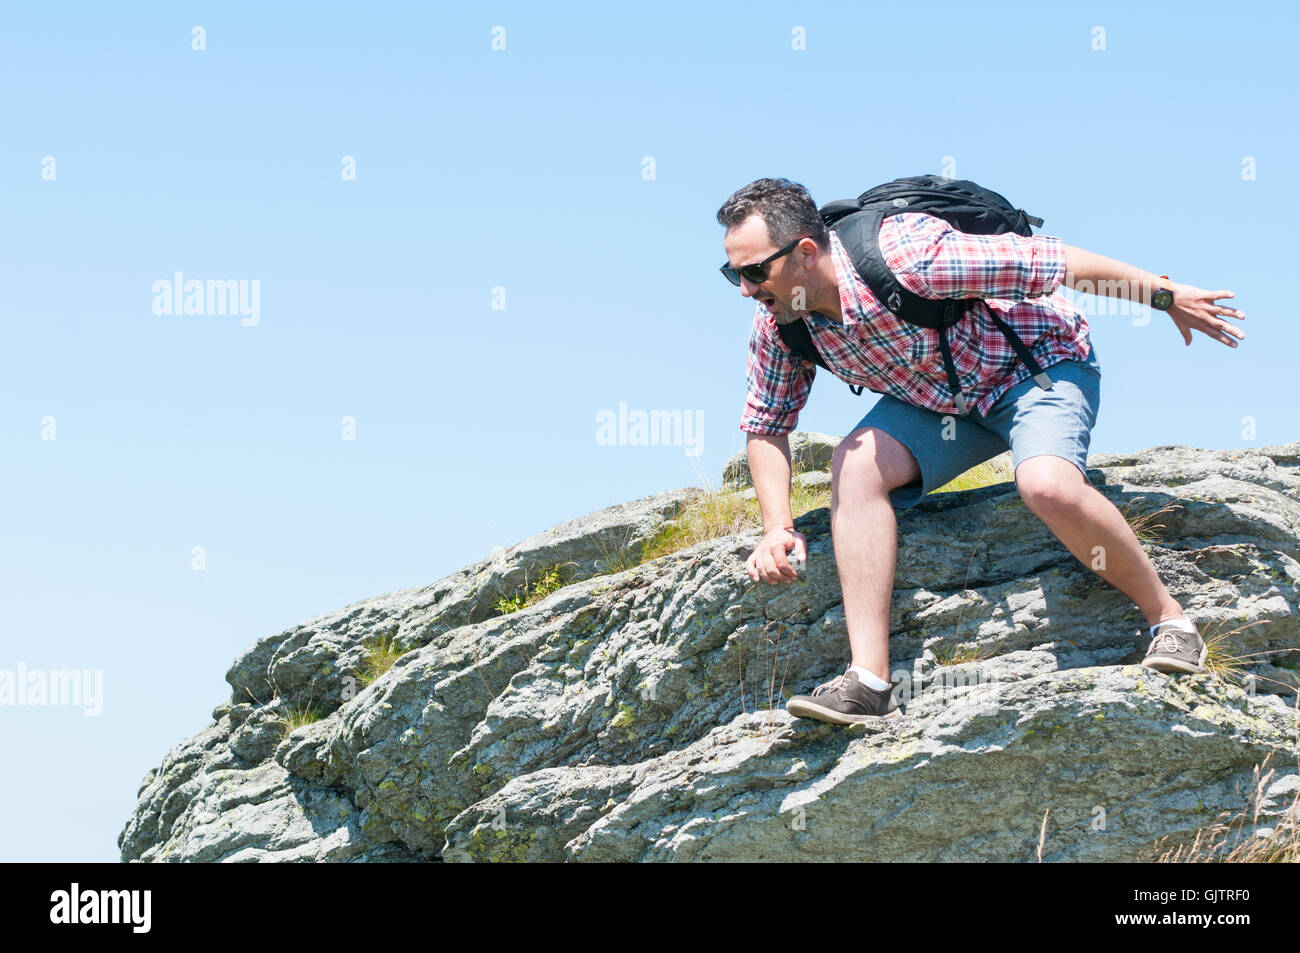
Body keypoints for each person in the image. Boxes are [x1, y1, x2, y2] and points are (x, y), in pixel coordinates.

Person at [716, 177, 1247, 726]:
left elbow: (1056, 263)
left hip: (1035, 369)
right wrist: (777, 525)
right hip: (943, 406)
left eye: (756, 272)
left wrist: (1166, 296)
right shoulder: (783, 325)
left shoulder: (909, 256)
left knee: (1046, 485)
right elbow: (766, 424)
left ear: (805, 252)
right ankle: (869, 683)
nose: (746, 290)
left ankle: (1172, 623)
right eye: (734, 274)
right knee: (852, 466)